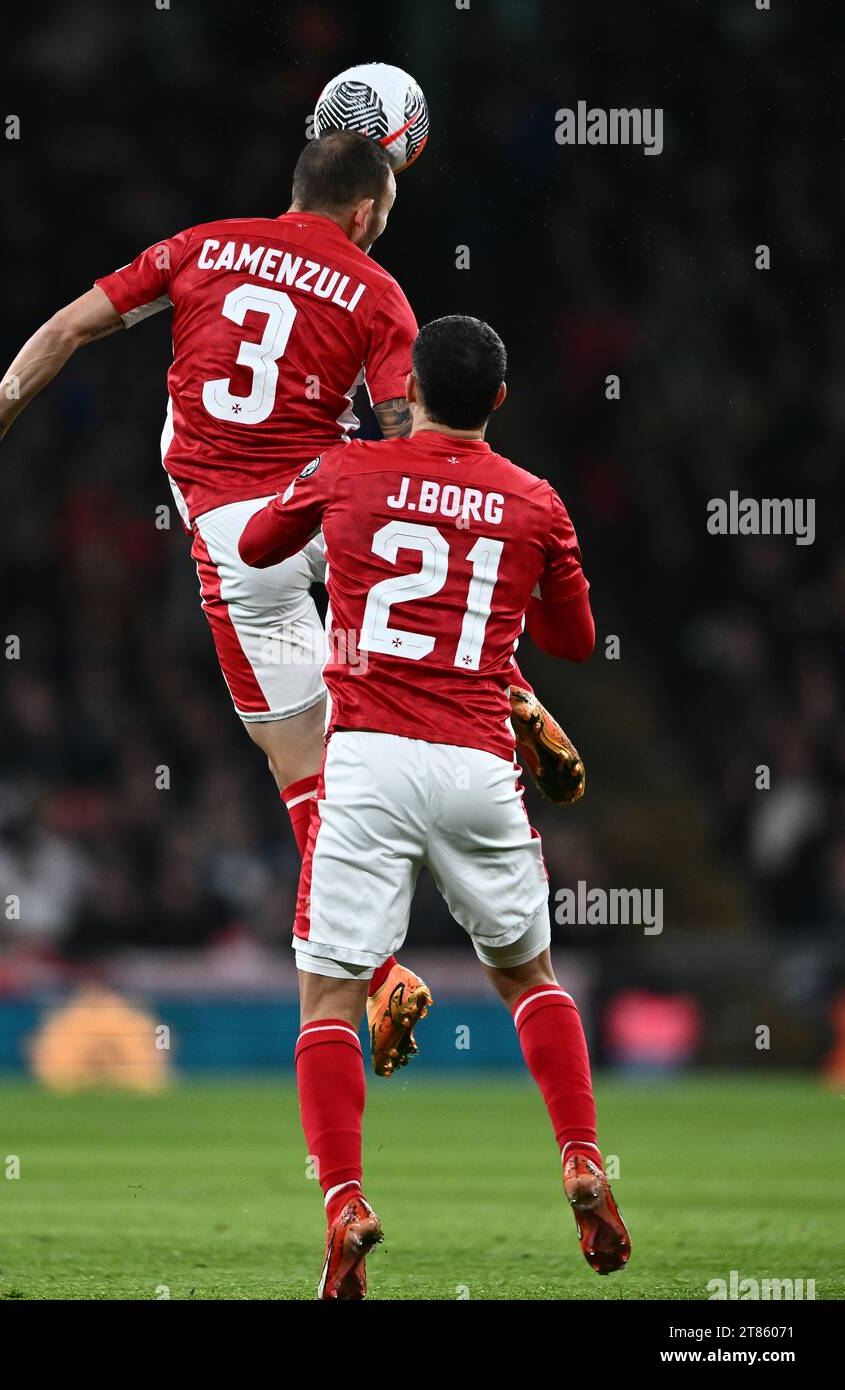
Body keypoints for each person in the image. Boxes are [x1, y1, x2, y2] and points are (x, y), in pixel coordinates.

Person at [0, 131, 578, 1074]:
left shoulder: (197, 247)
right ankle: (505, 684)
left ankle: (379, 971)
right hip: (330, 507)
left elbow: (66, 328)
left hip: (237, 538)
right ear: (364, 213)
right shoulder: (379, 293)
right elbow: (405, 442)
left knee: (301, 765)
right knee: (421, 627)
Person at [239, 314, 630, 1299]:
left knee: (328, 998)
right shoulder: (535, 501)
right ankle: (582, 1160)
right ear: (498, 400)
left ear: (405, 385)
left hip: (366, 760)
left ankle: (343, 1203)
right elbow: (574, 639)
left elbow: (252, 543)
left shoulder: (348, 468)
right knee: (528, 978)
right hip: (476, 763)